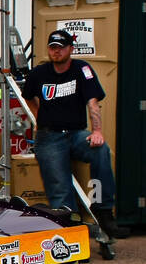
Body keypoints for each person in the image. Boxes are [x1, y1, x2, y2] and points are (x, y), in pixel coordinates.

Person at [22, 29, 130, 240]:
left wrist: (97, 131)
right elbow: (28, 98)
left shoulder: (82, 69)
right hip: (49, 137)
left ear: (71, 49)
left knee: (101, 150)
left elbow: (92, 102)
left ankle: (104, 211)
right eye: (53, 48)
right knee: (60, 188)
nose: (57, 52)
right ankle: (72, 236)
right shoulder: (38, 73)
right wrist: (40, 116)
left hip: (76, 133)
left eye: (61, 47)